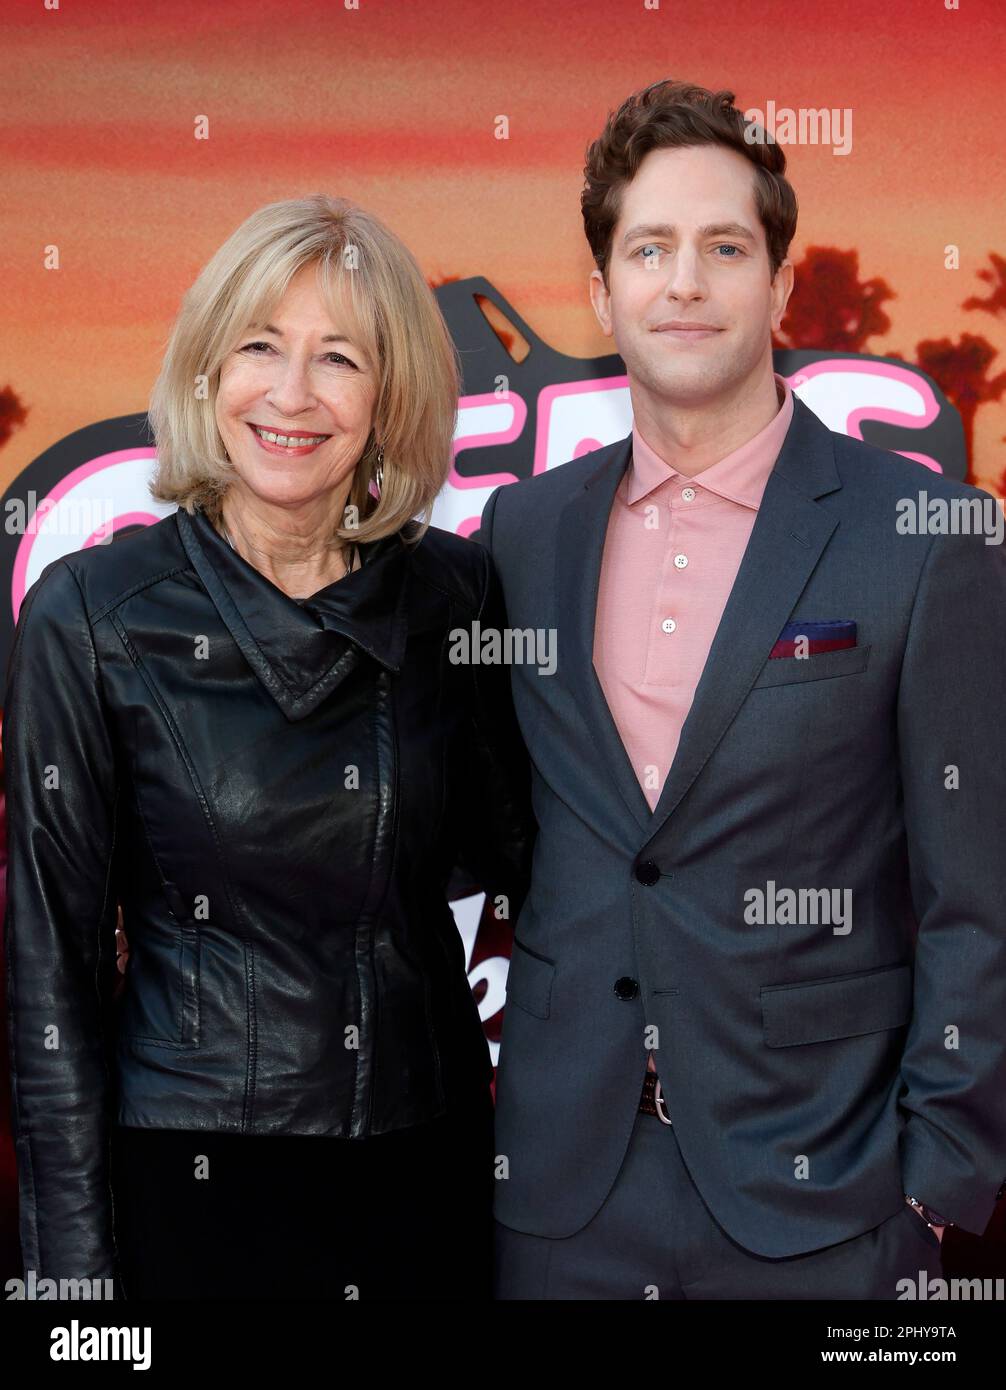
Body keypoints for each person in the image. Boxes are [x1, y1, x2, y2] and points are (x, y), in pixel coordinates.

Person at [483, 80, 1006, 1299]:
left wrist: (935, 1181)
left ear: (778, 284)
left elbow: (976, 893)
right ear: (598, 289)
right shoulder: (522, 533)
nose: (684, 282)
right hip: (561, 1203)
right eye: (648, 249)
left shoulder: (925, 537)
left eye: (725, 247)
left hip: (830, 1202)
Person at [3, 194, 535, 1300]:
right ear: (206, 370)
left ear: (390, 398)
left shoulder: (453, 595)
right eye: (259, 346)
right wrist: (72, 1295)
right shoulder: (93, 616)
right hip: (198, 1193)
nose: (291, 395)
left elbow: (546, 867)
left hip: (422, 1173)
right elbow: (50, 977)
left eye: (339, 356)